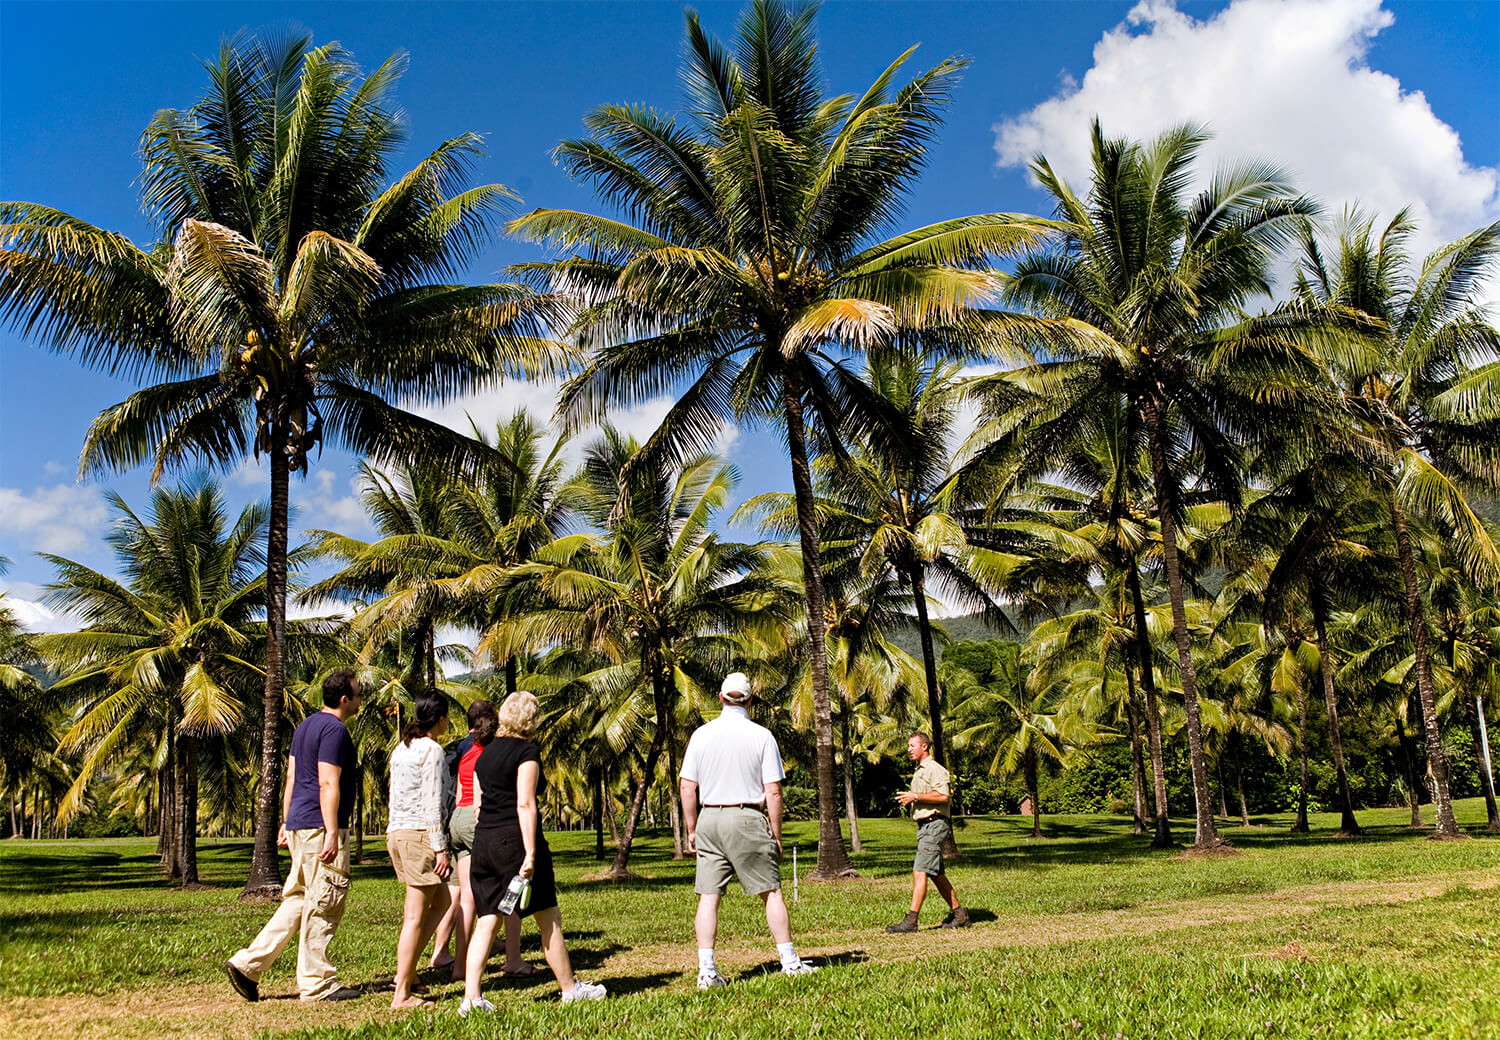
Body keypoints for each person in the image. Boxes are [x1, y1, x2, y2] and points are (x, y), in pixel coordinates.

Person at [460, 690, 606, 1014]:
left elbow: (478, 805)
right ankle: (570, 989)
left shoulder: (483, 755)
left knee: (487, 920)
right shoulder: (527, 752)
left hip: (483, 842)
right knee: (547, 916)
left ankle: (471, 998)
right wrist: (529, 853)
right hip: (514, 842)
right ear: (532, 719)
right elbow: (526, 803)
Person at [226, 671, 364, 1002]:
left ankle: (248, 964)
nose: (361, 699)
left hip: (301, 823)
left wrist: (287, 822)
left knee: (300, 897)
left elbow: (291, 777)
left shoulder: (304, 727)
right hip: (321, 825)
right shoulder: (335, 730)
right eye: (358, 694)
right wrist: (332, 831)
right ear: (344, 699)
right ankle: (317, 984)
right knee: (324, 901)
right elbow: (327, 781)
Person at [679, 672, 816, 990]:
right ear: (751, 700)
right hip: (747, 817)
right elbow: (774, 792)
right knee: (771, 892)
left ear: (721, 697)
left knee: (709, 897)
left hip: (710, 818)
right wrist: (777, 835)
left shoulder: (701, 735)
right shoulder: (762, 736)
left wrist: (691, 829)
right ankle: (790, 962)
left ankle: (707, 971)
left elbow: (688, 786)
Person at [430, 700, 536, 981]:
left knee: (467, 899)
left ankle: (459, 967)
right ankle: (513, 958)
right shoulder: (494, 751)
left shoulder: (463, 748)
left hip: (456, 819)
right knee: (509, 891)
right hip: (480, 819)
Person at [386, 691, 454, 1008]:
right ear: (440, 719)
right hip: (419, 834)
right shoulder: (432, 750)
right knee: (414, 917)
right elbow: (431, 802)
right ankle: (402, 992)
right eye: (448, 716)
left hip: (398, 832)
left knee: (441, 900)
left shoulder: (401, 748)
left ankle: (408, 972)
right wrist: (440, 847)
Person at [886, 731, 969, 932]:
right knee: (936, 874)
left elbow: (943, 797)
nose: (909, 750)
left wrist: (915, 796)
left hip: (935, 824)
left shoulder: (934, 769)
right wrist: (912, 799)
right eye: (908, 746)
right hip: (925, 826)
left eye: (912, 745)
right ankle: (960, 915)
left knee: (920, 871)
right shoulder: (920, 771)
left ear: (924, 747)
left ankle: (911, 921)